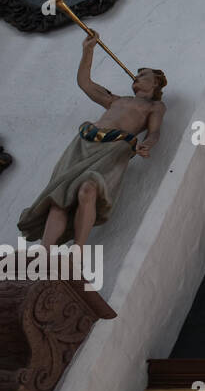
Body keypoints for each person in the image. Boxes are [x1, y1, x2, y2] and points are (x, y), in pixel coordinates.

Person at [18, 29, 166, 249]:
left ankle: (77, 250)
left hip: (113, 148)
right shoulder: (116, 99)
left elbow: (154, 132)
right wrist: (88, 51)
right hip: (84, 142)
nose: (137, 76)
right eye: (137, 74)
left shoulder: (154, 106)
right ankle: (44, 252)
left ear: (155, 83)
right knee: (60, 196)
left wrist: (147, 144)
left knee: (88, 189)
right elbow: (85, 83)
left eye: (144, 75)